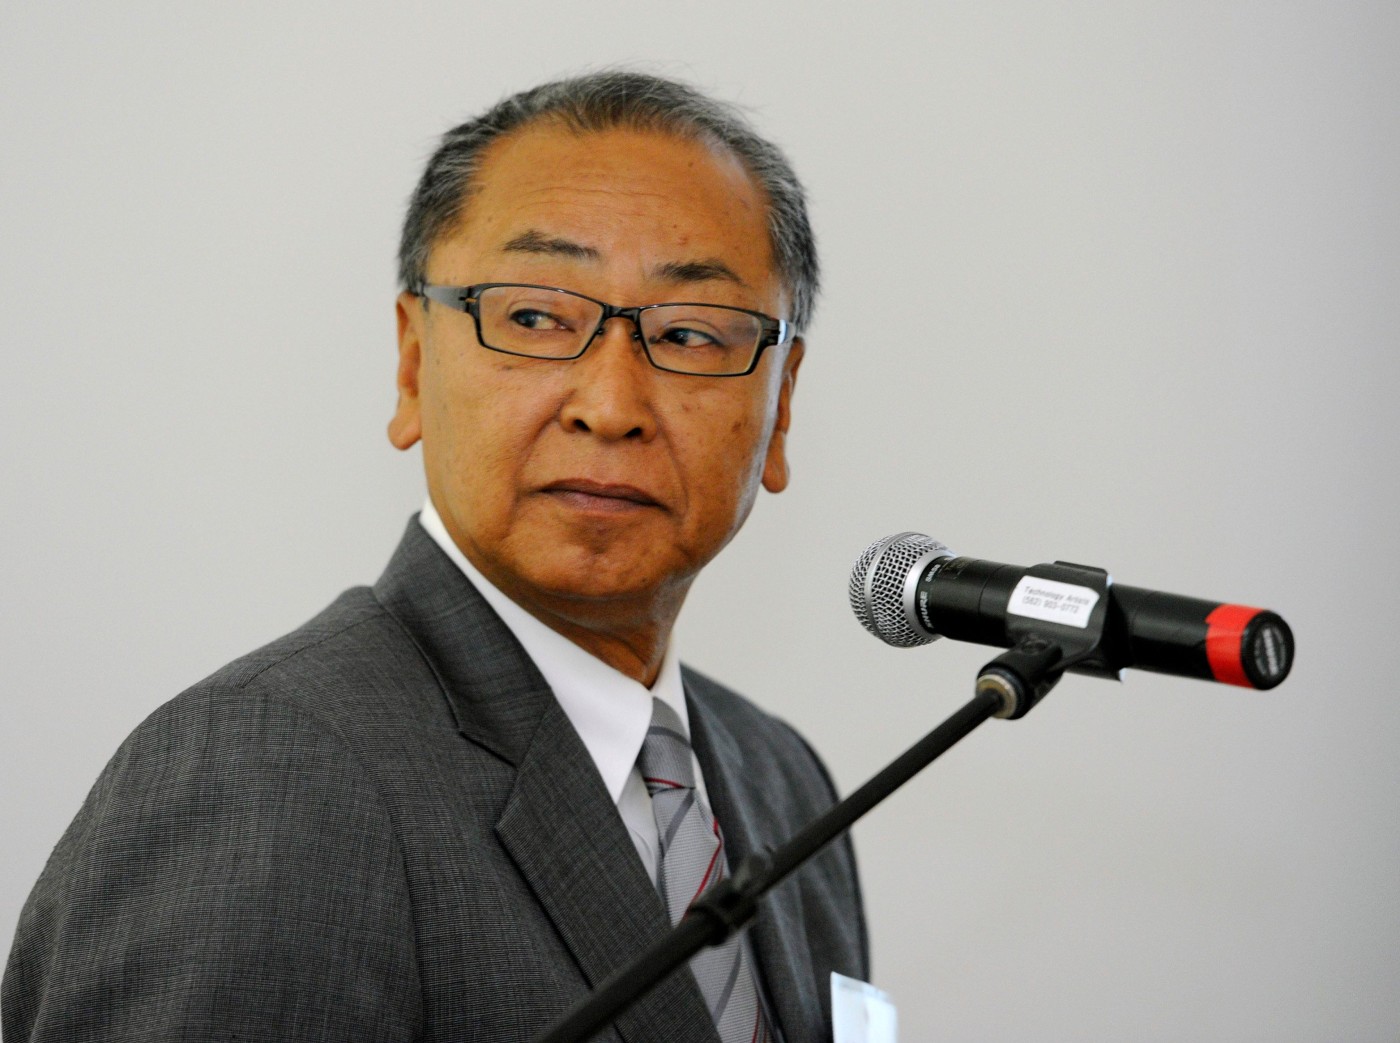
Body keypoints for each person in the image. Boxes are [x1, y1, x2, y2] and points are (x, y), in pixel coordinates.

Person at [3, 72, 867, 1042]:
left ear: (780, 407)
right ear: (412, 363)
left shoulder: (782, 779)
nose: (611, 405)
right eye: (534, 317)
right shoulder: (271, 770)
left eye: (691, 332)